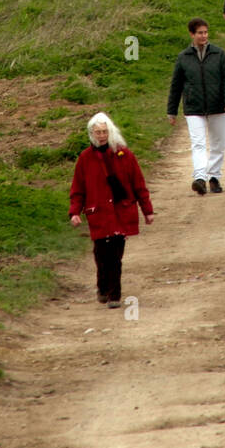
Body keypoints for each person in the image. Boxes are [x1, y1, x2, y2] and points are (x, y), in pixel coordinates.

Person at [69, 111, 154, 308]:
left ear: (111, 132)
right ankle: (102, 287)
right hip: (97, 213)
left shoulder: (124, 155)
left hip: (120, 213)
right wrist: (74, 212)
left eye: (104, 131)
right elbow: (78, 189)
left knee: (115, 256)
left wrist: (147, 210)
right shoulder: (85, 159)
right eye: (97, 132)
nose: (101, 135)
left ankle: (115, 294)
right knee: (101, 255)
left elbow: (138, 184)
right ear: (91, 133)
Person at [166, 18, 225, 193]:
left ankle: (214, 176)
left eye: (205, 32)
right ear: (192, 34)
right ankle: (199, 177)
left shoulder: (219, 54)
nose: (203, 36)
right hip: (193, 107)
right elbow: (176, 85)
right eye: (200, 33)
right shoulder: (183, 58)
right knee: (198, 143)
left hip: (217, 105)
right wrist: (172, 110)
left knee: (218, 143)